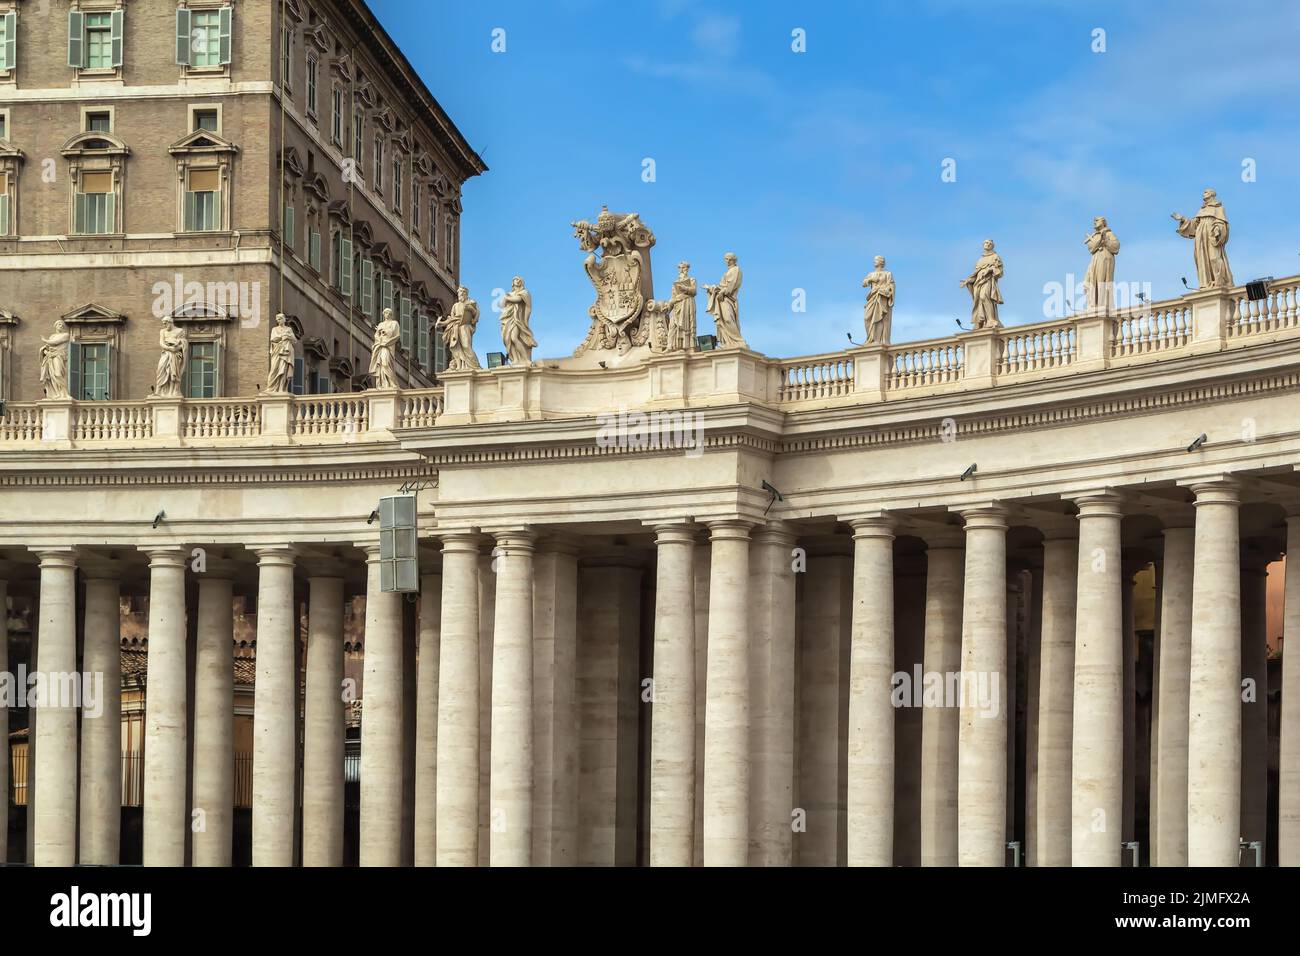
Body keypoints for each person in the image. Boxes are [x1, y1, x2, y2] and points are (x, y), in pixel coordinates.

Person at [704, 252, 747, 348]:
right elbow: (721, 286)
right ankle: (727, 342)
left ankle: (739, 341)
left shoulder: (736, 270)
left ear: (733, 260)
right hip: (721, 299)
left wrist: (723, 292)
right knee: (722, 321)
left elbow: (732, 284)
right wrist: (710, 288)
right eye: (726, 259)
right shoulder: (727, 272)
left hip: (729, 299)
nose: (727, 261)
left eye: (728, 259)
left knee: (728, 319)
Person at [960, 239, 1004, 329]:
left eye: (989, 243)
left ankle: (991, 319)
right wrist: (968, 280)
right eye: (985, 243)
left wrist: (990, 269)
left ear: (992, 245)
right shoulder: (980, 260)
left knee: (985, 296)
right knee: (979, 300)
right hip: (978, 282)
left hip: (988, 280)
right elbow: (976, 273)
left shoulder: (995, 256)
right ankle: (981, 321)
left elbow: (999, 271)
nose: (987, 244)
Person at [500, 276, 537, 365]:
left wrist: (506, 298)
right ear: (513, 282)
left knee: (514, 337)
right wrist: (505, 298)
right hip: (507, 319)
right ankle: (515, 359)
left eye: (519, 280)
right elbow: (502, 305)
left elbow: (517, 299)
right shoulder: (509, 293)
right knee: (508, 339)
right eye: (515, 279)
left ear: (521, 282)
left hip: (516, 319)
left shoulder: (524, 292)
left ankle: (525, 359)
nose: (517, 281)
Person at [862, 255, 895, 345]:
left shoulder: (887, 274)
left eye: (876, 260)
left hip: (881, 297)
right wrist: (870, 279)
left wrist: (885, 290)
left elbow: (891, 286)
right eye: (874, 260)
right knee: (866, 318)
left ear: (881, 262)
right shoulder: (871, 274)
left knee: (880, 318)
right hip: (872, 297)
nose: (874, 261)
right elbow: (864, 284)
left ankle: (876, 340)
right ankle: (870, 338)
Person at [155, 316, 188, 397]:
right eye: (163, 324)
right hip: (166, 353)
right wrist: (169, 348)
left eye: (165, 323)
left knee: (173, 372)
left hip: (175, 354)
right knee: (161, 369)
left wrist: (176, 348)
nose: (164, 325)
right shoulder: (162, 331)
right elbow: (161, 342)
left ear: (170, 322)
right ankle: (158, 391)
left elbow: (184, 343)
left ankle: (173, 391)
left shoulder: (180, 331)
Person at [369, 307, 401, 388]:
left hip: (388, 346)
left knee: (386, 363)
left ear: (391, 314)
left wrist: (387, 339)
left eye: (388, 313)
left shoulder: (394, 323)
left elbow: (397, 336)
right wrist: (379, 337)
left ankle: (392, 382)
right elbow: (376, 335)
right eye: (385, 313)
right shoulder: (381, 324)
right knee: (380, 364)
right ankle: (382, 383)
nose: (387, 314)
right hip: (380, 346)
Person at [39, 320, 71, 399]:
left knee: (58, 374)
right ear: (55, 326)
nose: (61, 325)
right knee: (51, 376)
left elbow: (56, 342)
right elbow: (47, 347)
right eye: (59, 324)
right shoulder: (52, 336)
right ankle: (56, 393)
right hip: (51, 357)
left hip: (59, 356)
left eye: (62, 324)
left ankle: (64, 392)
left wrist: (45, 340)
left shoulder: (66, 335)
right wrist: (45, 351)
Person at [266, 313, 297, 394]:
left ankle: (281, 388)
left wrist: (289, 336)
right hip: (277, 351)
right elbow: (273, 339)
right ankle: (271, 388)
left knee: (284, 370)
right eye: (277, 319)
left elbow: (295, 340)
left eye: (280, 319)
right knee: (274, 369)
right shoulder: (274, 329)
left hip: (287, 352)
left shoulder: (289, 329)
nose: (279, 321)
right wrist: (283, 336)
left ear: (284, 319)